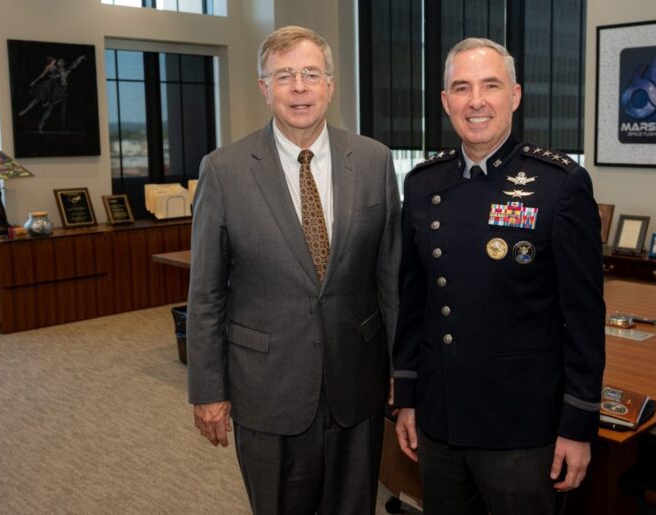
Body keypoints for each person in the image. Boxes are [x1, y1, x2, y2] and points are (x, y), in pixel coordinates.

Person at [187, 26, 401, 515]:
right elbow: (206, 293)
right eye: (284, 76)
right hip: (267, 387)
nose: (298, 87)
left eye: (310, 74)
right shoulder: (224, 170)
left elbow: (390, 279)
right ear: (265, 89)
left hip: (357, 382)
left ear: (330, 84)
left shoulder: (374, 161)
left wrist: (400, 369)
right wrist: (208, 389)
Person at [391, 37, 605, 514]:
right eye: (462, 88)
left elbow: (585, 319)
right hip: (440, 417)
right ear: (446, 102)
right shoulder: (424, 184)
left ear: (515, 95)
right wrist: (406, 396)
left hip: (522, 427)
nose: (476, 101)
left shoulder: (559, 184)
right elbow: (414, 301)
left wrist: (578, 424)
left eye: (491, 85)